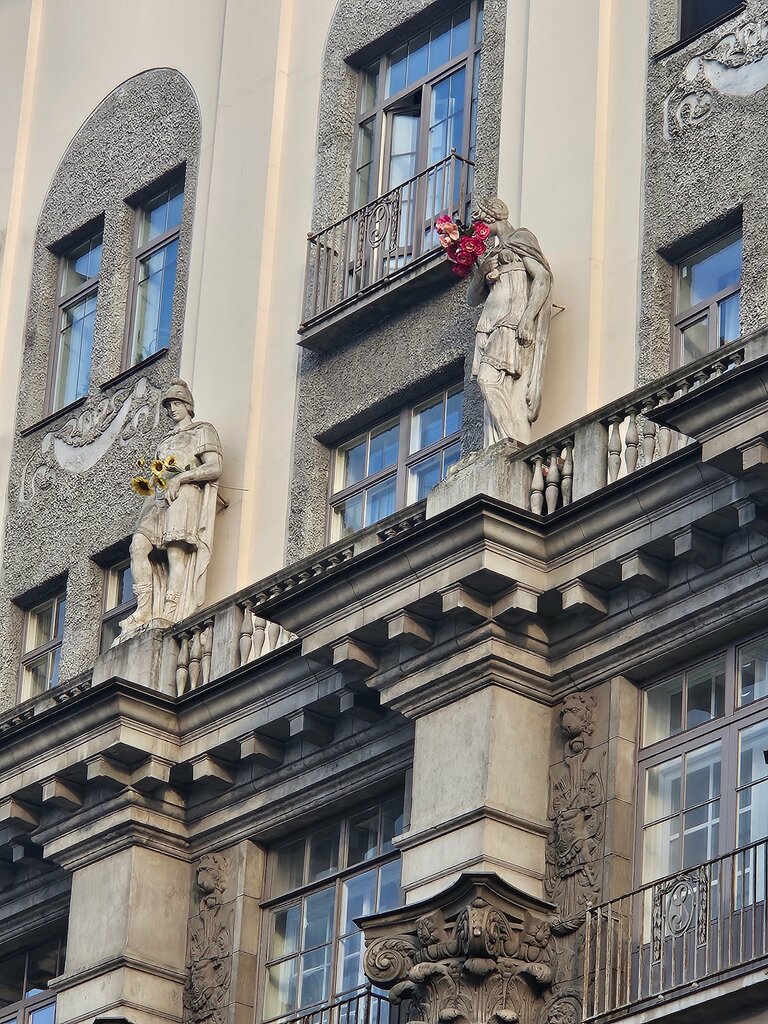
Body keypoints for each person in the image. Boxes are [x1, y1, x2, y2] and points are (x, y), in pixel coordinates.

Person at [119, 380, 222, 635]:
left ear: (188, 406)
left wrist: (181, 478)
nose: (172, 410)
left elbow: (214, 467)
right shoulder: (165, 440)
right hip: (159, 499)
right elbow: (160, 471)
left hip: (185, 494)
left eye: (176, 404)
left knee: (176, 552)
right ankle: (144, 608)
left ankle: (171, 609)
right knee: (138, 545)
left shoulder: (202, 430)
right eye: (169, 405)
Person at [467, 197, 553, 446]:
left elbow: (542, 278)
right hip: (488, 325)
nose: (479, 227)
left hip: (510, 321)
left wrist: (528, 318)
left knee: (487, 379)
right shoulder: (491, 254)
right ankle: (494, 445)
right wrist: (482, 272)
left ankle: (510, 440)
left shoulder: (521, 239)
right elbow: (472, 298)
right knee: (493, 390)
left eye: (482, 220)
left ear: (493, 217)